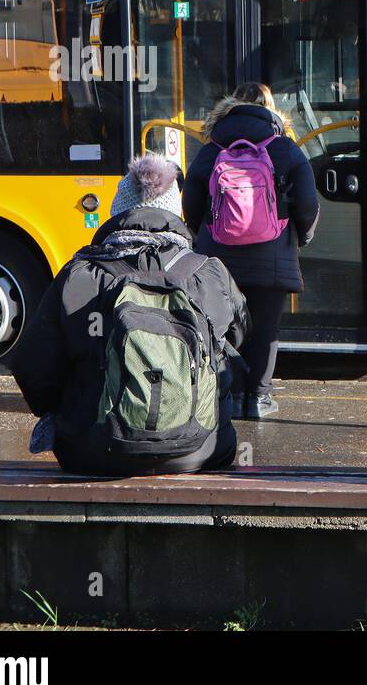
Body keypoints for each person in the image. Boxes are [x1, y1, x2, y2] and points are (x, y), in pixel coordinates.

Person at [13, 153, 250, 476]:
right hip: (200, 450)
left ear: (117, 211)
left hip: (92, 451)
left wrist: (68, 406)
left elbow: (33, 366)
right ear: (173, 211)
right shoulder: (209, 272)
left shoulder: (79, 274)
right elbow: (240, 337)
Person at [183, 83, 319, 419]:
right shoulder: (285, 148)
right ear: (271, 112)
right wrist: (301, 237)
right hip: (272, 255)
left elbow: (192, 205)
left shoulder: (211, 149)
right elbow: (307, 203)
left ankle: (232, 393)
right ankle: (259, 399)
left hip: (218, 257)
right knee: (266, 328)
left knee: (220, 326)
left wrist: (204, 235)